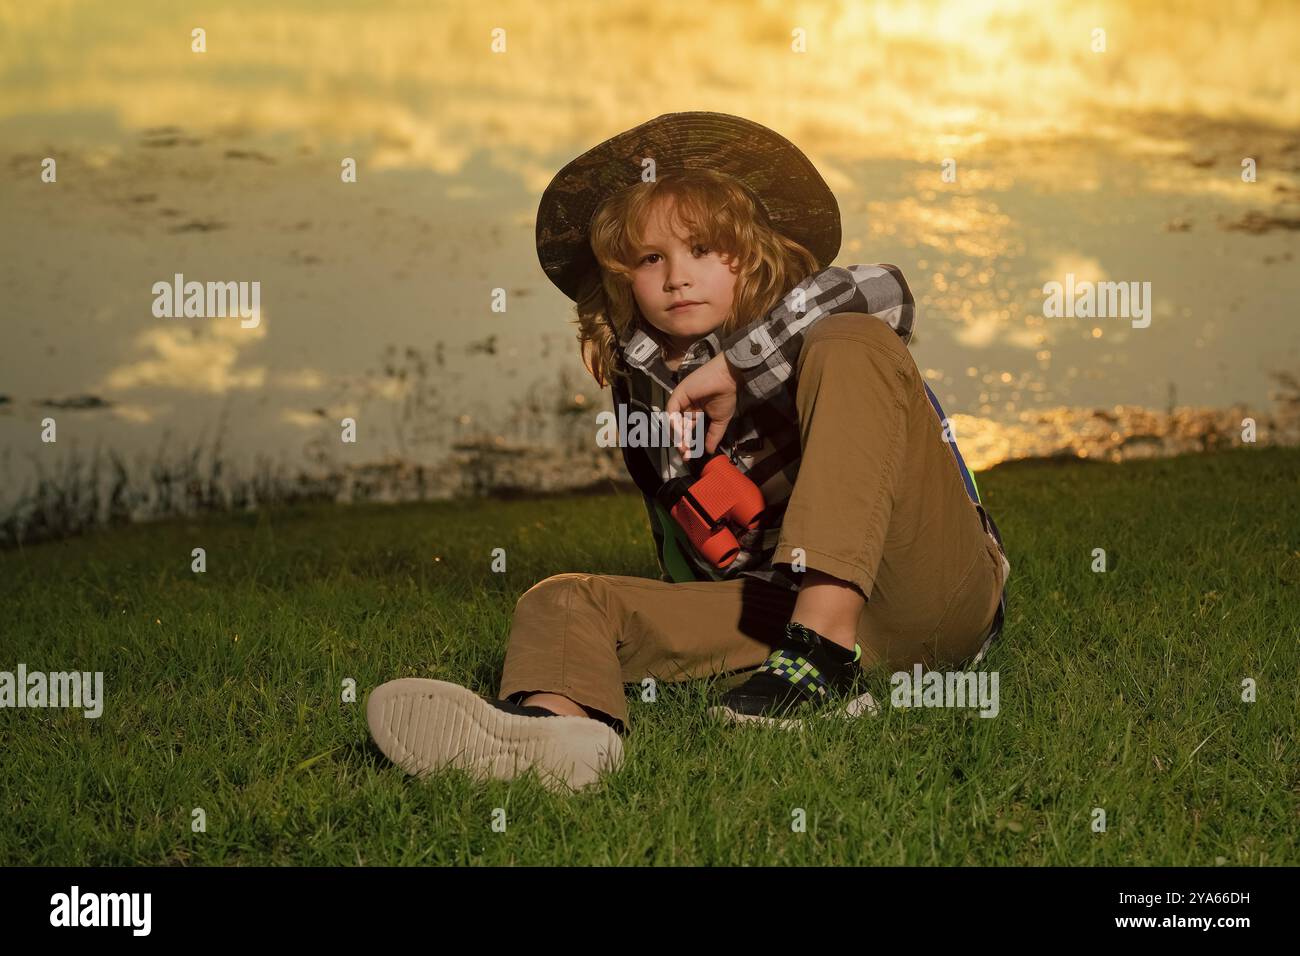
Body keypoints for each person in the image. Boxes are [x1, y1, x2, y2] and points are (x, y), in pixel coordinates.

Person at [367, 112, 1010, 793]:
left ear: (753, 250)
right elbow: (702, 548)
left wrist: (740, 369)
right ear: (622, 275)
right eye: (651, 259)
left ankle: (821, 652)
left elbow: (888, 291)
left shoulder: (806, 315)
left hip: (923, 594)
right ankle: (557, 731)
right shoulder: (640, 386)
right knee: (564, 599)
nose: (678, 277)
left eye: (704, 249)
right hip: (774, 613)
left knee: (850, 341)